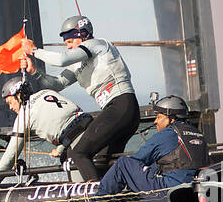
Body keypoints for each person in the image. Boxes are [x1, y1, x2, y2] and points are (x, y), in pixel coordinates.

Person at [21, 14, 140, 182]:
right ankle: (118, 196)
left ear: (82, 35)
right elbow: (56, 85)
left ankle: (97, 199)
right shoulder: (77, 63)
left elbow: (62, 60)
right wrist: (35, 71)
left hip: (121, 104)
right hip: (119, 111)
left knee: (79, 152)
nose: (68, 47)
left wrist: (34, 51)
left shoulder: (98, 44)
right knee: (101, 161)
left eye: (70, 42)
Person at [0, 76, 92, 187]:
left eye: (10, 102)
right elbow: (71, 121)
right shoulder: (47, 92)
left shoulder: (24, 114)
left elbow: (11, 153)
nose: (10, 108)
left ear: (19, 95)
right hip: (91, 126)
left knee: (81, 189)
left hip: (75, 142)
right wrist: (61, 148)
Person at [95, 95, 208, 196]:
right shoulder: (198, 134)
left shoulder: (168, 133)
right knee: (154, 166)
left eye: (159, 117)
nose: (155, 121)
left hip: (170, 191)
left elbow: (136, 160)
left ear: (171, 118)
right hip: (193, 192)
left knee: (123, 164)